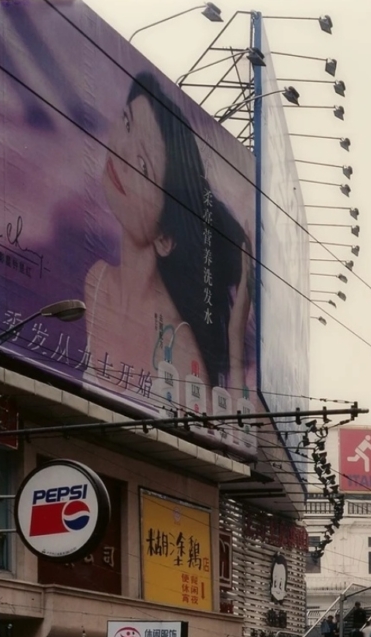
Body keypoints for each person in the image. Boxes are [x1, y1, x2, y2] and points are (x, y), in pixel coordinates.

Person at [84, 72, 252, 396]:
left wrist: (234, 343)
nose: (121, 151)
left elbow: (220, 434)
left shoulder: (179, 345)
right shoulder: (97, 282)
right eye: (127, 122)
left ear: (166, 239)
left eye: (144, 166)